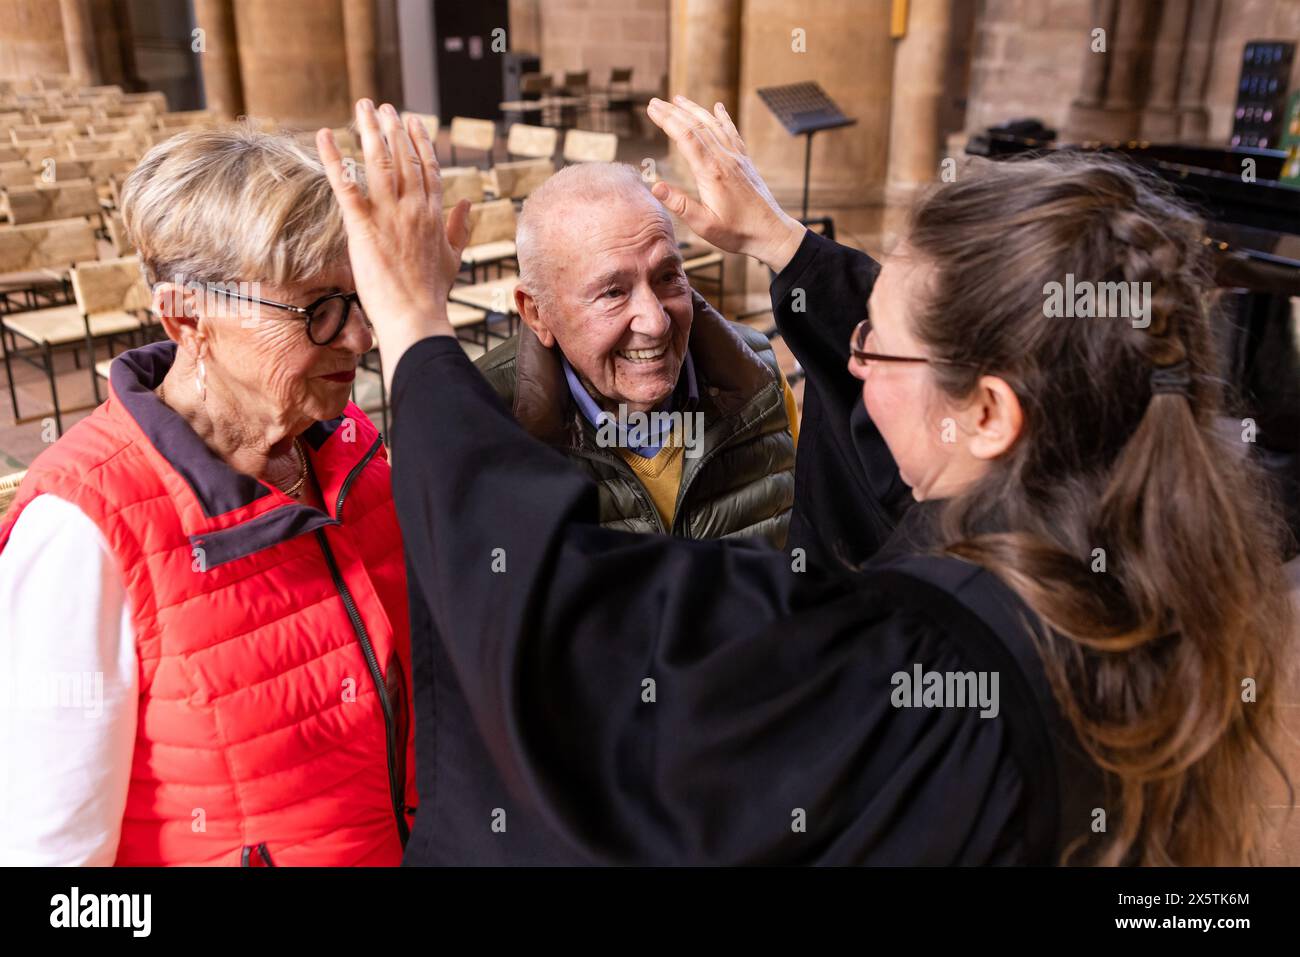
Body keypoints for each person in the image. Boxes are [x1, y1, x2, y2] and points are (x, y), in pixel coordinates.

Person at [318, 98, 1293, 865]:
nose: (847, 362)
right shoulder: (1116, 551)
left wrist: (413, 329)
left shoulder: (908, 669)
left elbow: (578, 642)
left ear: (988, 415)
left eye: (876, 342)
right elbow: (885, 469)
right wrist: (784, 244)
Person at [0, 125, 415, 866]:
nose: (359, 337)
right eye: (318, 307)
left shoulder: (349, 446)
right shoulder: (83, 529)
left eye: (359, 297)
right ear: (186, 314)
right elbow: (52, 864)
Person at [476, 161, 799, 543]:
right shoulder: (481, 424)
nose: (656, 322)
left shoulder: (758, 374)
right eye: (613, 292)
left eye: (666, 277)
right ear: (536, 312)